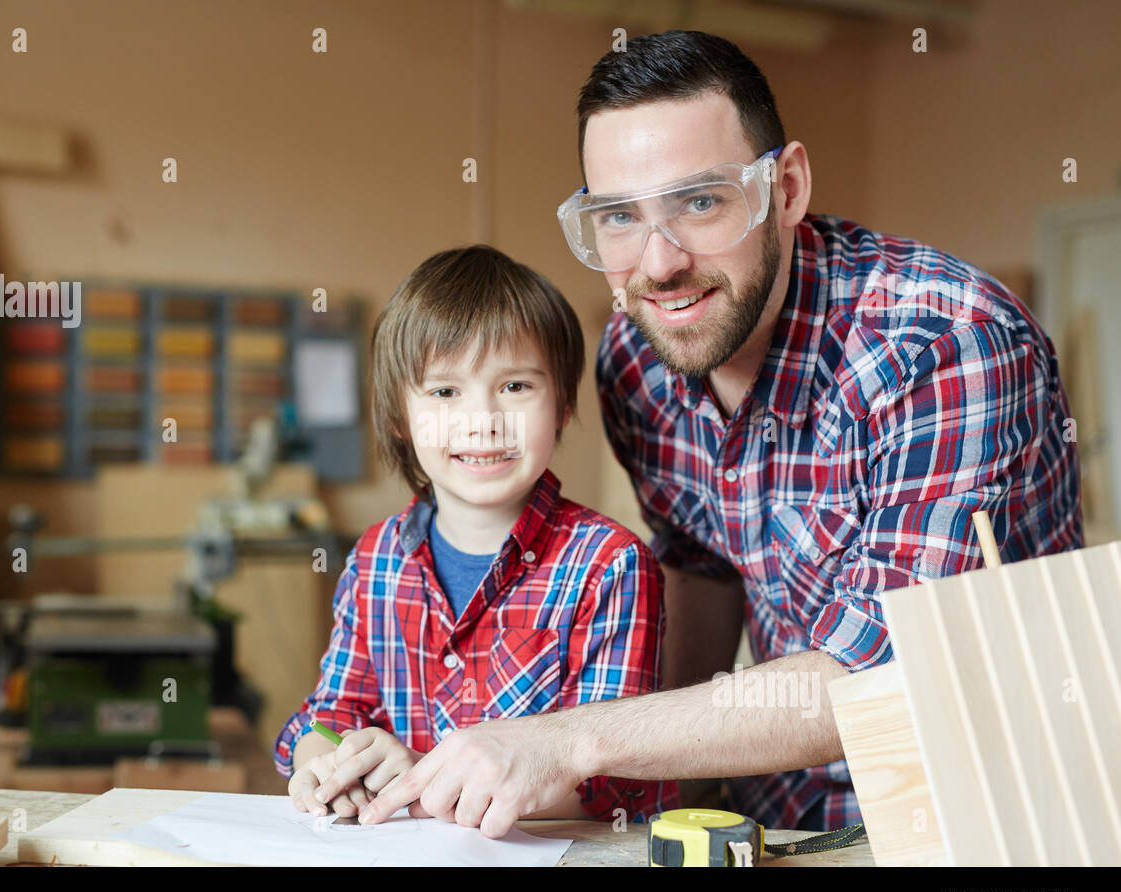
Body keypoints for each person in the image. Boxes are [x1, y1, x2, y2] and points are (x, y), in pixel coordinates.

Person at [348, 30, 1082, 838]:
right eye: (619, 217)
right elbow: (703, 573)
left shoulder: (944, 346)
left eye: (699, 202)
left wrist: (572, 740)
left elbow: (889, 671)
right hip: (772, 816)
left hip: (979, 821)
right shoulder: (639, 355)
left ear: (787, 186)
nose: (659, 263)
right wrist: (606, 786)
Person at [275, 244, 677, 824]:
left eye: (515, 387)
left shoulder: (610, 567)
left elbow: (609, 790)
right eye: (444, 392)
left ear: (562, 406)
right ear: (398, 417)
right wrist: (321, 762)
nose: (482, 419)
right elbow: (333, 712)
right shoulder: (375, 561)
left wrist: (418, 777)